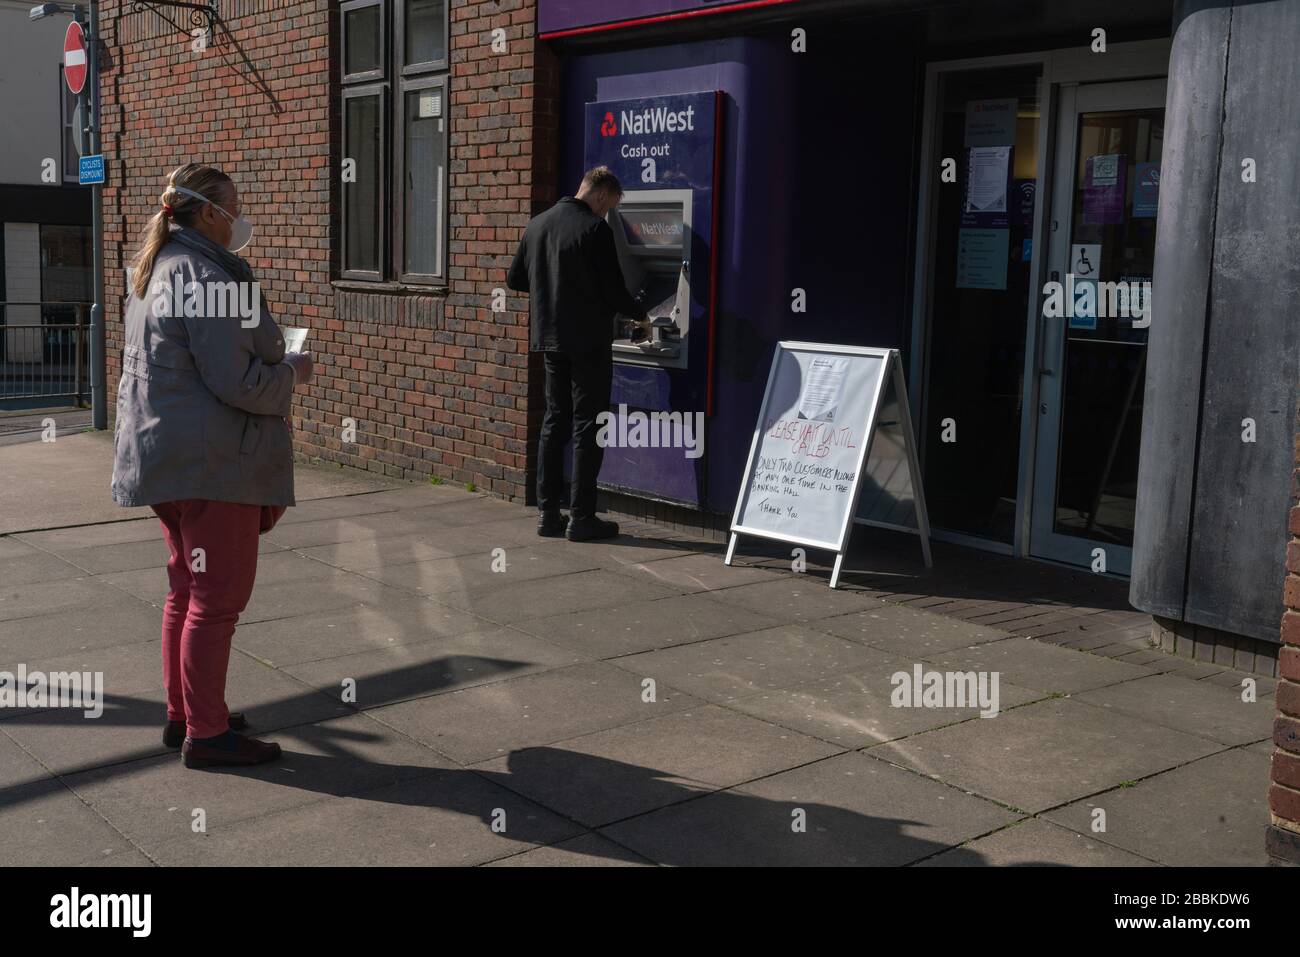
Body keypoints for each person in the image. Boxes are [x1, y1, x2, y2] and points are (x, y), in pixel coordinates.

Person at [111, 163, 314, 769]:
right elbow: (237, 381)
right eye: (233, 209)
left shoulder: (156, 269)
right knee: (217, 599)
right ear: (207, 214)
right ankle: (208, 734)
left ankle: (187, 714)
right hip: (212, 463)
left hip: (164, 457)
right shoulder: (206, 276)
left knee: (186, 588)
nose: (238, 221)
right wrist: (291, 373)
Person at [506, 166, 650, 541]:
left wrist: (551, 286)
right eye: (610, 207)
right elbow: (614, 290)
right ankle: (582, 518)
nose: (607, 214)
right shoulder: (594, 229)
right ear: (600, 195)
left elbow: (515, 279)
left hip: (550, 339)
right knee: (589, 424)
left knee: (555, 421)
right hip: (588, 342)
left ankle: (548, 514)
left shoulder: (537, 224)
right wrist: (642, 315)